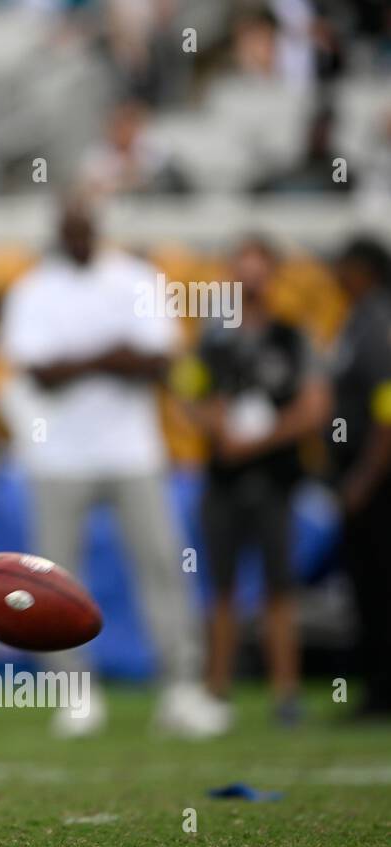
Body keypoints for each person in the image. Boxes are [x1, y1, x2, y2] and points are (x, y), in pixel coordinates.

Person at [0, 196, 229, 738]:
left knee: (161, 565)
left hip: (134, 451)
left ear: (96, 229)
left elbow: (159, 361)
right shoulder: (34, 289)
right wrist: (113, 355)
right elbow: (37, 373)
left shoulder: (135, 278)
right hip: (56, 455)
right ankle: (74, 694)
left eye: (85, 227)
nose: (78, 236)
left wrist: (79, 361)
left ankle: (182, 688)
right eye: (69, 228)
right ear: (59, 231)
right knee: (53, 578)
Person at [185, 236, 330, 725]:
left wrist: (261, 439)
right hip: (223, 477)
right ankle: (217, 688)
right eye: (241, 269)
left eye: (258, 269)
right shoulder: (214, 337)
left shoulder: (292, 336)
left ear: (273, 274)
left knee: (279, 586)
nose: (249, 279)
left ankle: (284, 691)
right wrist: (217, 427)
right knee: (221, 585)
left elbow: (314, 405)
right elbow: (189, 395)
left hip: (274, 477)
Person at [329, 237, 391, 719]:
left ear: (365, 270)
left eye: (345, 266)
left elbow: (387, 407)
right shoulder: (357, 319)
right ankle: (375, 690)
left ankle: (381, 692)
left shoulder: (376, 322)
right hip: (361, 473)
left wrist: (365, 478)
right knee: (366, 585)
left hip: (377, 478)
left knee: (379, 584)